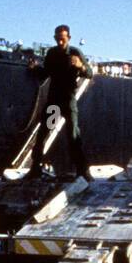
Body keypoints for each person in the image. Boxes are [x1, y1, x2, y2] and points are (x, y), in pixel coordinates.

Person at [27, 24, 93, 180]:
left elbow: (89, 73)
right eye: (57, 38)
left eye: (62, 38)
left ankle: (83, 172)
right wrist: (35, 68)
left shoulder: (76, 53)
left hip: (68, 101)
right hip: (54, 102)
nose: (60, 41)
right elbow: (46, 73)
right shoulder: (51, 54)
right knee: (43, 134)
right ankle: (35, 168)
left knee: (73, 136)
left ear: (68, 38)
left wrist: (80, 66)